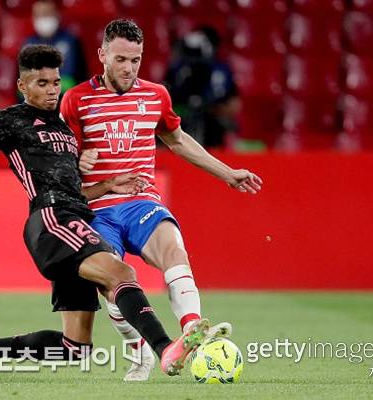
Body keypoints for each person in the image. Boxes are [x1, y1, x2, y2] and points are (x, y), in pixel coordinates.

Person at [0, 44, 218, 379]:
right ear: (23, 86)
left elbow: (74, 188)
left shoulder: (65, 129)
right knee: (122, 274)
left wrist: (109, 185)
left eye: (55, 82)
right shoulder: (5, 121)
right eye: (42, 83)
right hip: (51, 220)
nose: (52, 90)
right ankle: (165, 348)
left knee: (74, 348)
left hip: (76, 218)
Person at [60, 19, 262, 381]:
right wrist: (77, 159)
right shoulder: (76, 100)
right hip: (98, 210)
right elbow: (59, 160)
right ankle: (141, 353)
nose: (128, 68)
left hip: (142, 203)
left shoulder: (156, 95)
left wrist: (228, 173)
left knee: (174, 250)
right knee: (113, 286)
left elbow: (179, 141)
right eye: (121, 59)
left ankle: (191, 329)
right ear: (102, 55)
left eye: (135, 60)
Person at [164, 27, 240, 148]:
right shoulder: (176, 69)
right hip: (180, 118)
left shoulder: (221, 70)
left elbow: (234, 104)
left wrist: (211, 107)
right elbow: (165, 98)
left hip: (212, 119)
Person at [23, 0, 87, 93]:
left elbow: (75, 80)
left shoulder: (71, 41)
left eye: (48, 13)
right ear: (33, 18)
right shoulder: (28, 44)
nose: (44, 18)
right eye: (40, 14)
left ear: (57, 15)